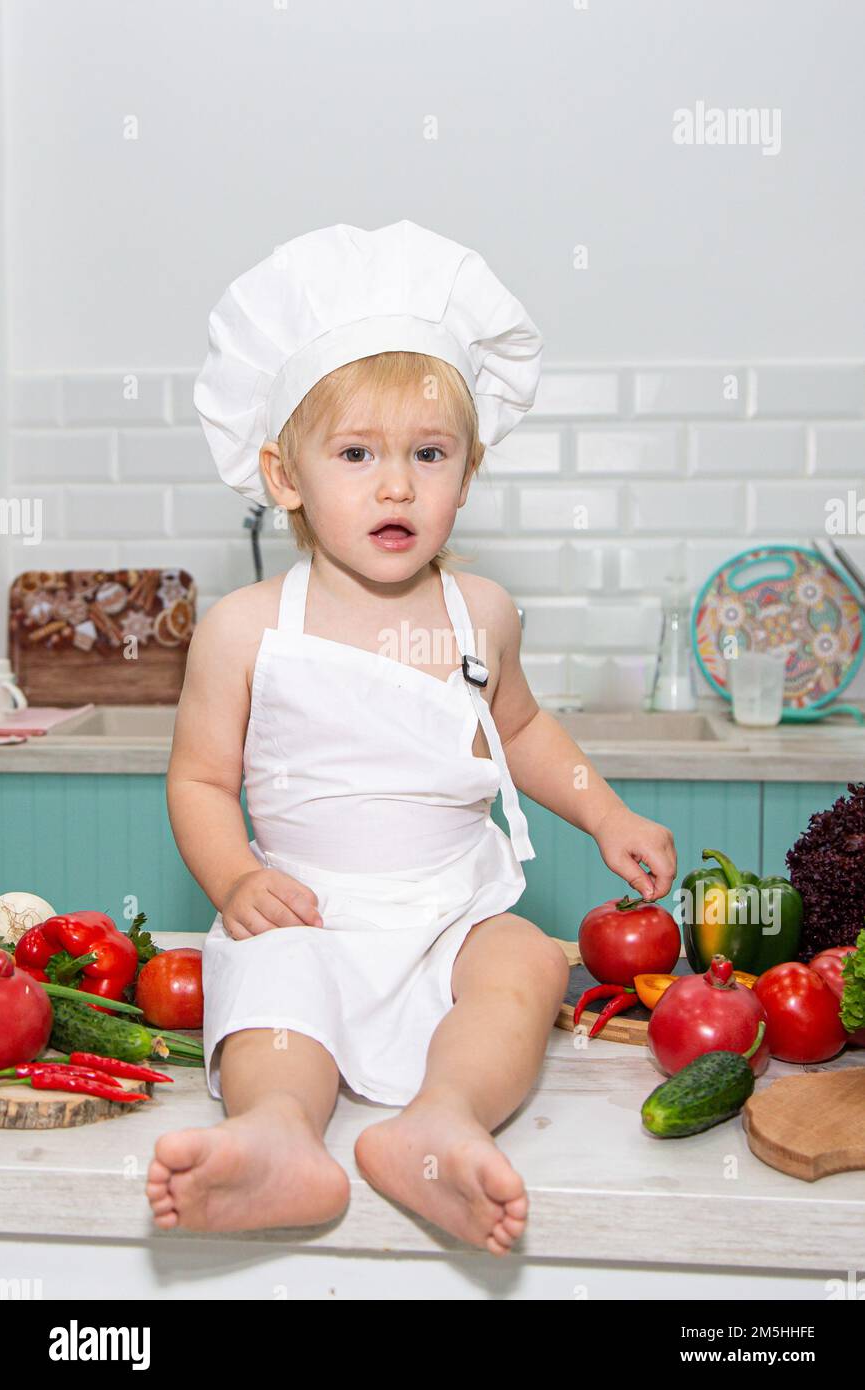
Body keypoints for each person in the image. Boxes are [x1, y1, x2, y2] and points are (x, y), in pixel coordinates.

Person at [145, 220, 676, 1255]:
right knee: (271, 984)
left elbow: (516, 726)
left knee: (521, 958)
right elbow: (199, 779)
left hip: (448, 915)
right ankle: (278, 1134)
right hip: (309, 907)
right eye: (356, 454)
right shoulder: (247, 626)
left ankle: (440, 1119)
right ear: (284, 474)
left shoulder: (479, 611)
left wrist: (603, 810)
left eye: (426, 455)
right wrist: (234, 880)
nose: (396, 484)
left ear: (466, 474)